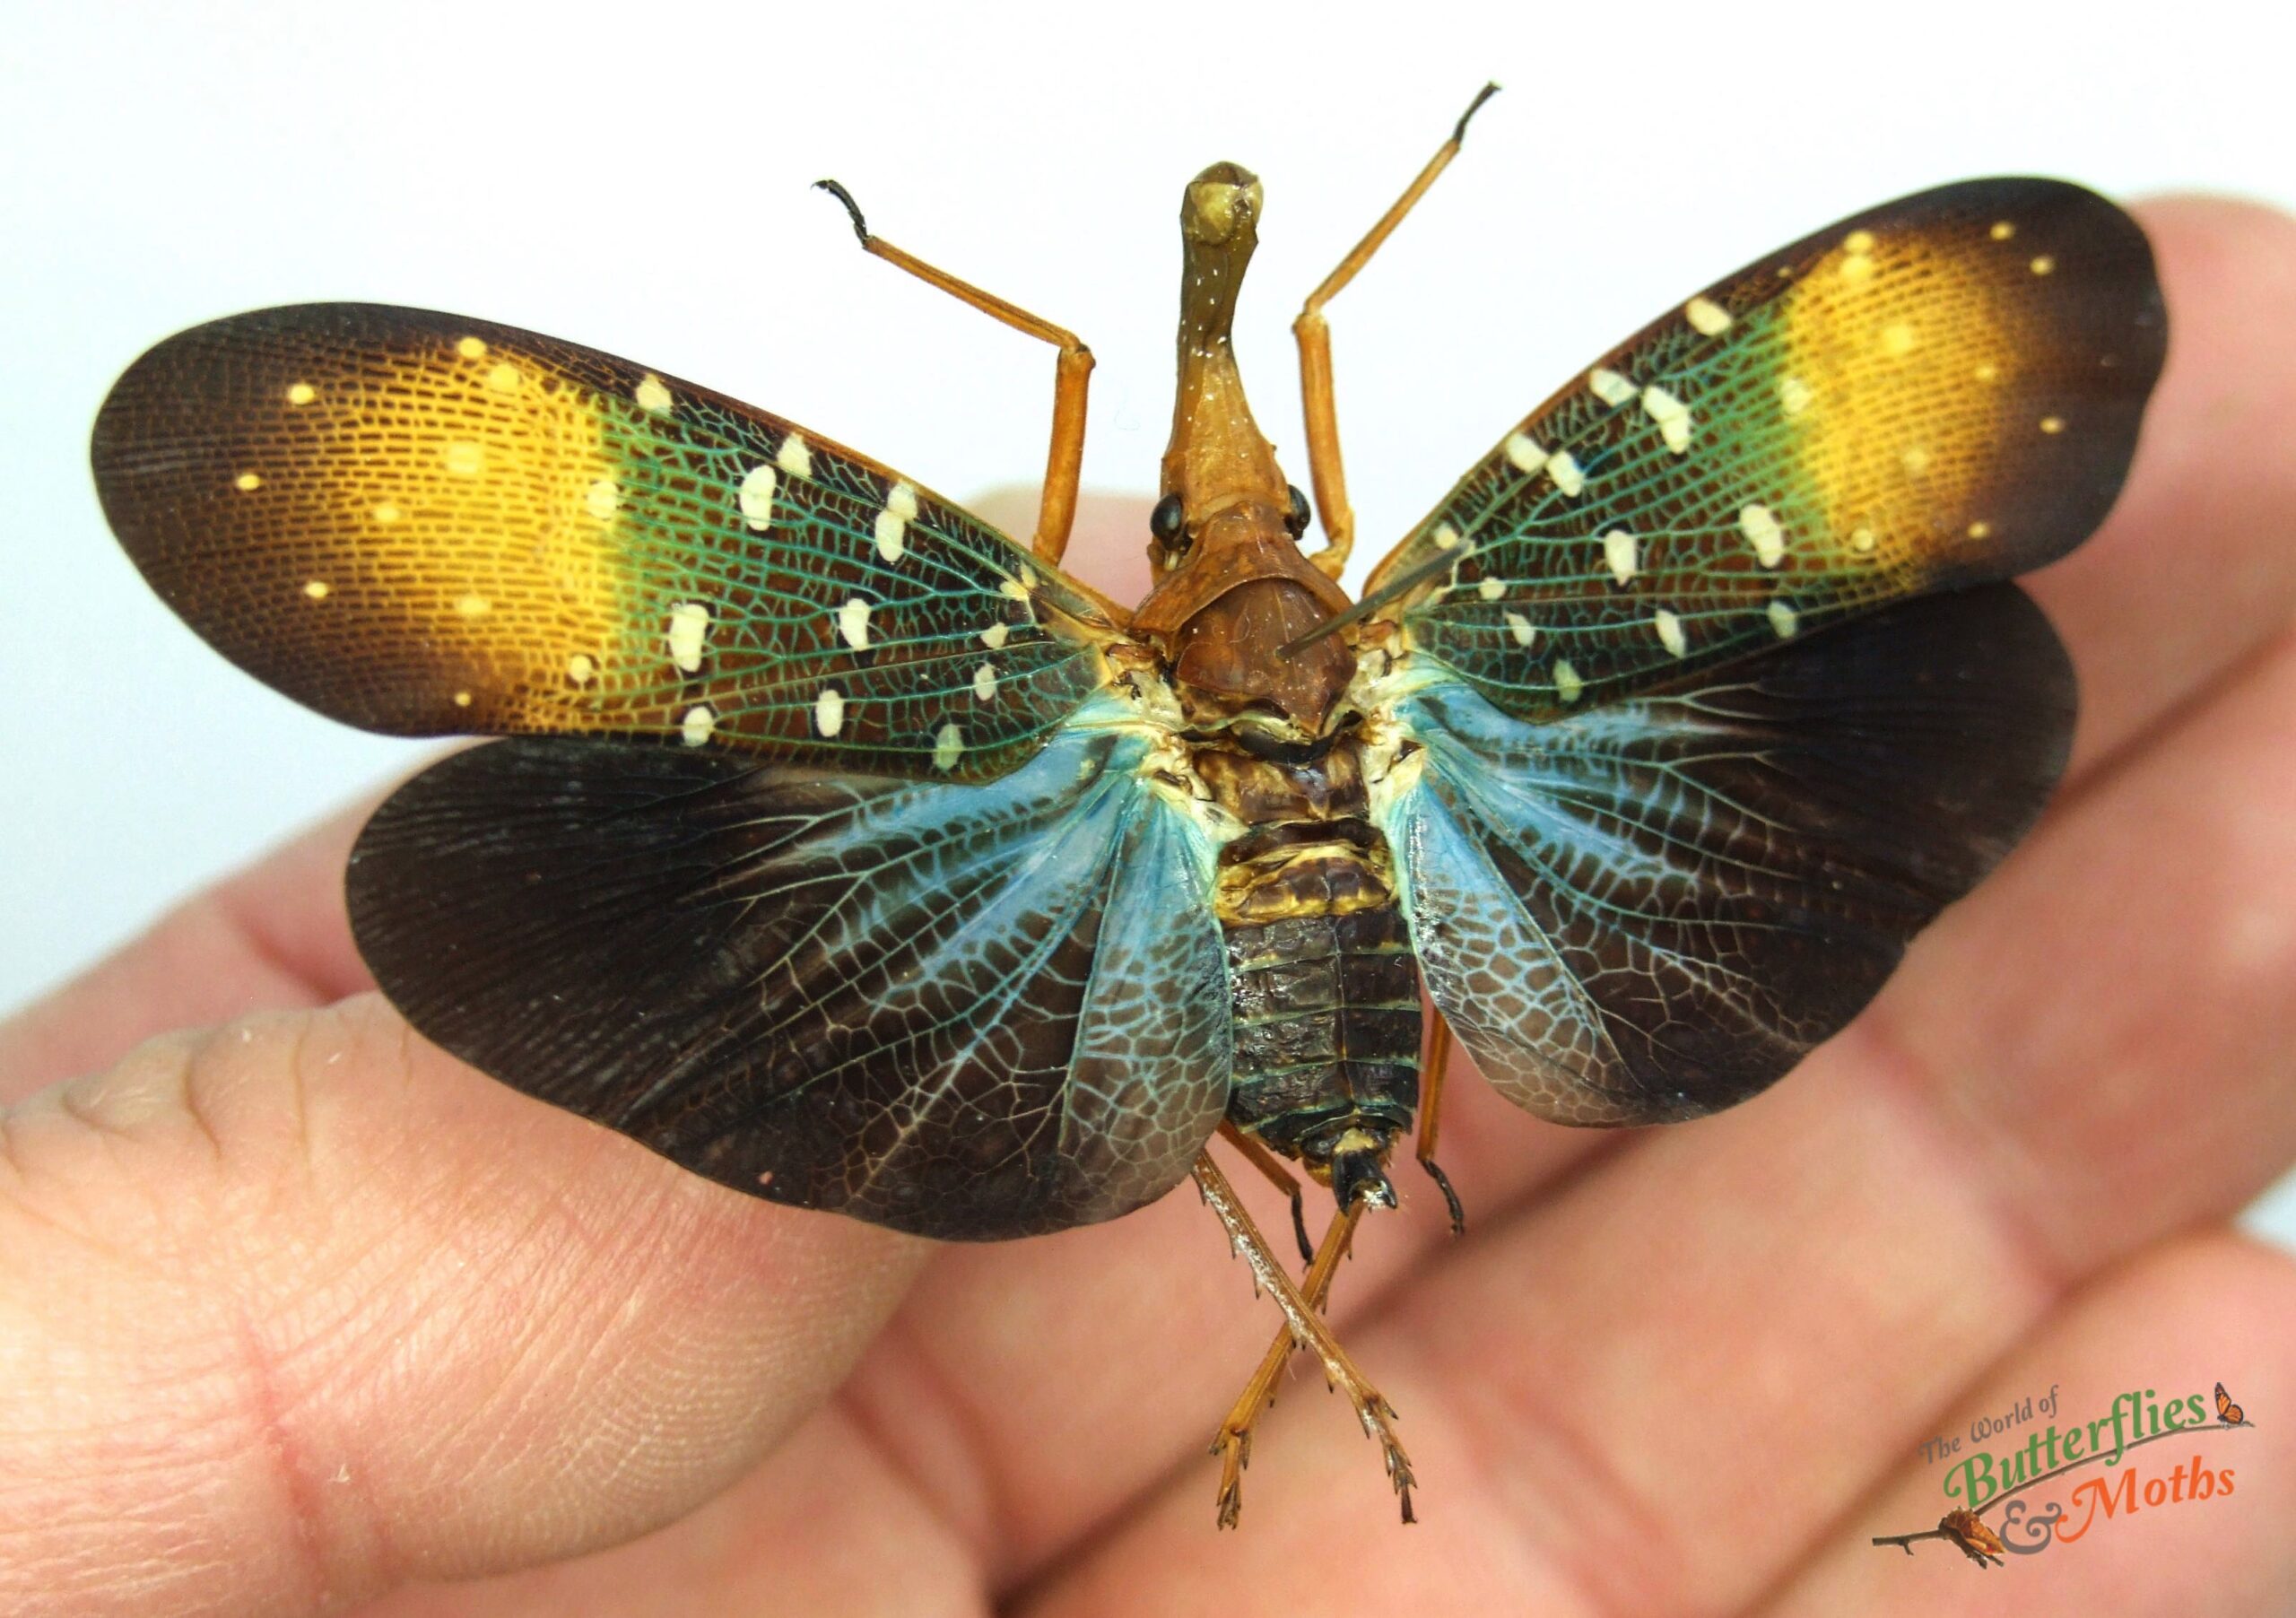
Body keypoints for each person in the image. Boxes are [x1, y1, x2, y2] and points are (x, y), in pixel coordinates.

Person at [4, 196, 2292, 1615]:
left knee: (1188, 1073)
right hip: (1502, 825)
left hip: (1117, 872)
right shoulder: (1332, 532)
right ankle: (1291, 1370)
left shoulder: (1063, 612)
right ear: (1300, 503)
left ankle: (1288, 1370)